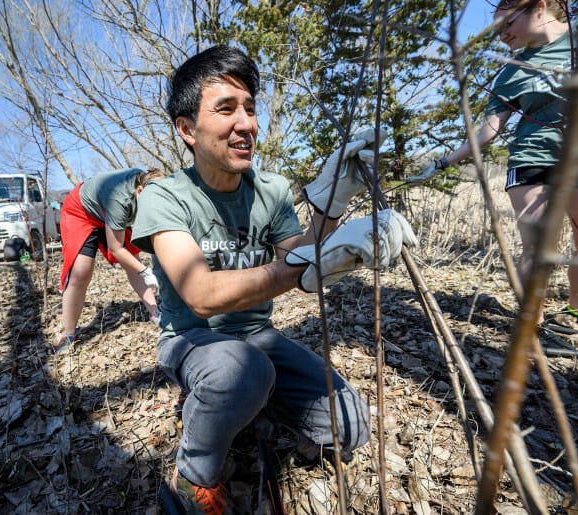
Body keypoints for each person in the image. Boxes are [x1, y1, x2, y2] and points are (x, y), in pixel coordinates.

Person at [131, 44, 417, 513]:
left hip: (257, 338)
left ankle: (247, 404)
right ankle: (194, 473)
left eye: (249, 107)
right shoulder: (165, 197)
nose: (246, 124)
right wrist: (305, 266)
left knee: (351, 426)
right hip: (192, 338)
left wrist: (332, 203)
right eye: (225, 109)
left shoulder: (272, 190)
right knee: (240, 373)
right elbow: (201, 296)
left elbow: (294, 257)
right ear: (186, 129)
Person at [409, 0, 578, 334]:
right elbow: (486, 135)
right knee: (537, 248)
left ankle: (576, 315)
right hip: (534, 158)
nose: (501, 35)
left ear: (539, 7)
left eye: (506, 24)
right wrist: (439, 163)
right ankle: (531, 327)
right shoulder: (511, 70)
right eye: (496, 30)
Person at [56, 167, 166, 353]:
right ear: (139, 191)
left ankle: (155, 312)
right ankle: (68, 334)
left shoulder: (149, 185)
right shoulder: (120, 198)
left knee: (132, 260)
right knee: (81, 271)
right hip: (80, 212)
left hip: (107, 214)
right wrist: (146, 272)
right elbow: (116, 249)